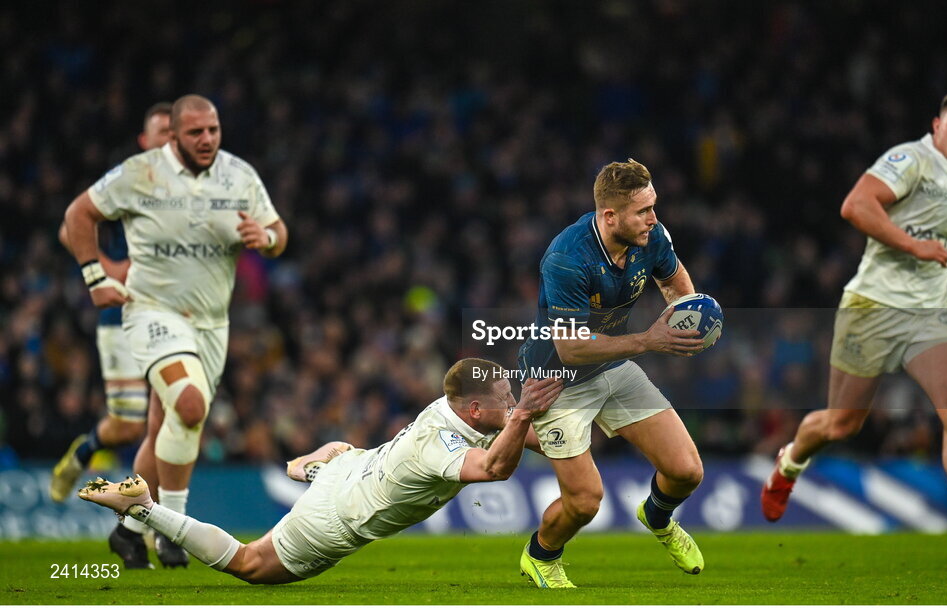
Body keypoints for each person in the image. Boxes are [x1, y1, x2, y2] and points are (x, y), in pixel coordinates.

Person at [760, 87, 947, 559]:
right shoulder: (910, 160)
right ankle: (788, 465)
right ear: (937, 125)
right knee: (840, 425)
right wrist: (914, 246)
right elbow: (856, 205)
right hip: (872, 307)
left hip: (931, 313)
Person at [79, 360, 563, 584]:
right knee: (249, 565)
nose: (513, 402)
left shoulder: (457, 410)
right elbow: (497, 467)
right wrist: (522, 417)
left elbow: (525, 435)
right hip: (337, 518)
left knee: (336, 453)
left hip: (349, 464)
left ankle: (308, 464)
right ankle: (143, 508)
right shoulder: (439, 442)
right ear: (476, 409)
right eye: (505, 397)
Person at [63, 94, 288, 569]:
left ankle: (132, 528)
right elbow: (77, 216)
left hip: (211, 324)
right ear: (176, 135)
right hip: (153, 313)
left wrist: (265, 239)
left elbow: (278, 231)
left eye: (213, 130)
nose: (206, 139)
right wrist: (96, 278)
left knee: (169, 425)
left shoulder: (239, 174)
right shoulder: (139, 173)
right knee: (189, 405)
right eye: (195, 132)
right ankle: (173, 530)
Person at [516, 159, 709, 588]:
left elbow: (676, 282)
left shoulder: (651, 236)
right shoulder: (567, 258)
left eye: (653, 206)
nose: (653, 219)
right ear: (610, 216)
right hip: (555, 383)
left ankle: (657, 517)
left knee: (686, 471)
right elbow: (570, 347)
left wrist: (689, 318)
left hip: (613, 366)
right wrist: (649, 340)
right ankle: (541, 555)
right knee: (585, 502)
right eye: (643, 211)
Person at [50, 102, 172, 569]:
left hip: (170, 317)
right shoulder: (130, 179)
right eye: (159, 131)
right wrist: (102, 269)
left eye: (172, 132)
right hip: (122, 314)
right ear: (145, 141)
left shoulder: (192, 189)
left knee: (169, 424)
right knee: (127, 424)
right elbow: (70, 225)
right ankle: (82, 453)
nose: (167, 139)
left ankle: (145, 528)